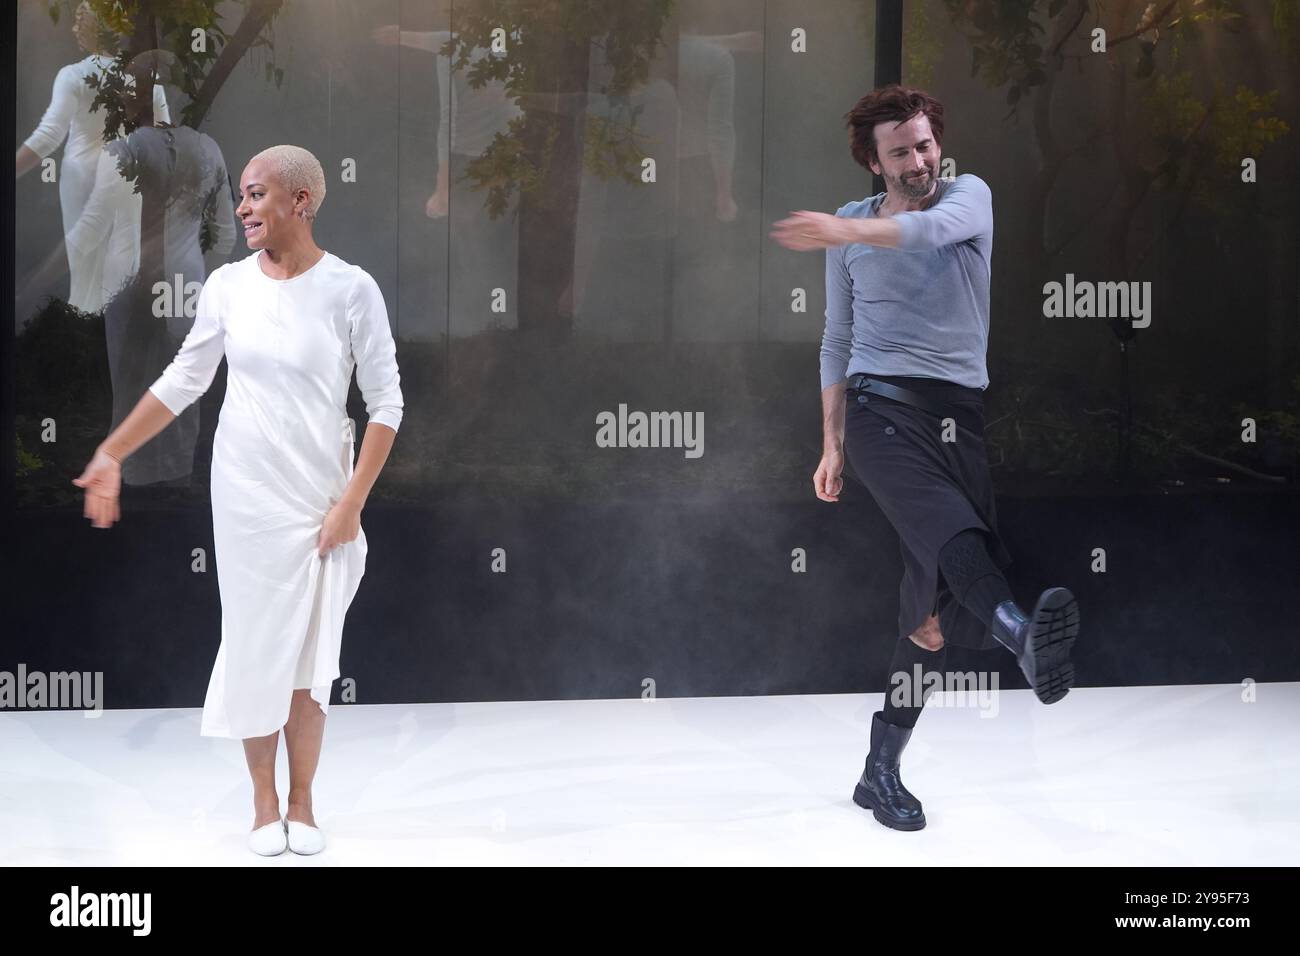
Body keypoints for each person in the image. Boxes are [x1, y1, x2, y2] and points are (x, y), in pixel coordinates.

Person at [72, 144, 404, 856]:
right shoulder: (227, 286)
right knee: (255, 646)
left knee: (312, 658)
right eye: (242, 197)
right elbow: (183, 380)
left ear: (300, 202)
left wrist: (350, 505)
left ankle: (304, 802)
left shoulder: (352, 289)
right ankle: (262, 805)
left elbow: (386, 406)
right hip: (247, 492)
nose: (243, 209)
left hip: (322, 497)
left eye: (255, 195)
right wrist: (111, 452)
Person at [770, 84, 1080, 832]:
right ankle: (1018, 635)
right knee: (950, 530)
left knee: (931, 621)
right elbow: (836, 341)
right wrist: (833, 440)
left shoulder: (968, 199)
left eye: (924, 143)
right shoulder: (850, 227)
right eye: (901, 151)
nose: (919, 160)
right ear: (874, 163)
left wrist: (845, 236)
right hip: (880, 412)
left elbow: (925, 236)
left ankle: (880, 771)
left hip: (957, 422)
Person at [16, 1, 171, 313]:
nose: (75, 30)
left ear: (87, 31)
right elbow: (164, 142)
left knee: (84, 268)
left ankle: (81, 331)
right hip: (127, 175)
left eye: (80, 24)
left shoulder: (73, 75)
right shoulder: (147, 83)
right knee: (125, 259)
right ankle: (111, 334)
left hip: (82, 175)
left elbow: (48, 136)